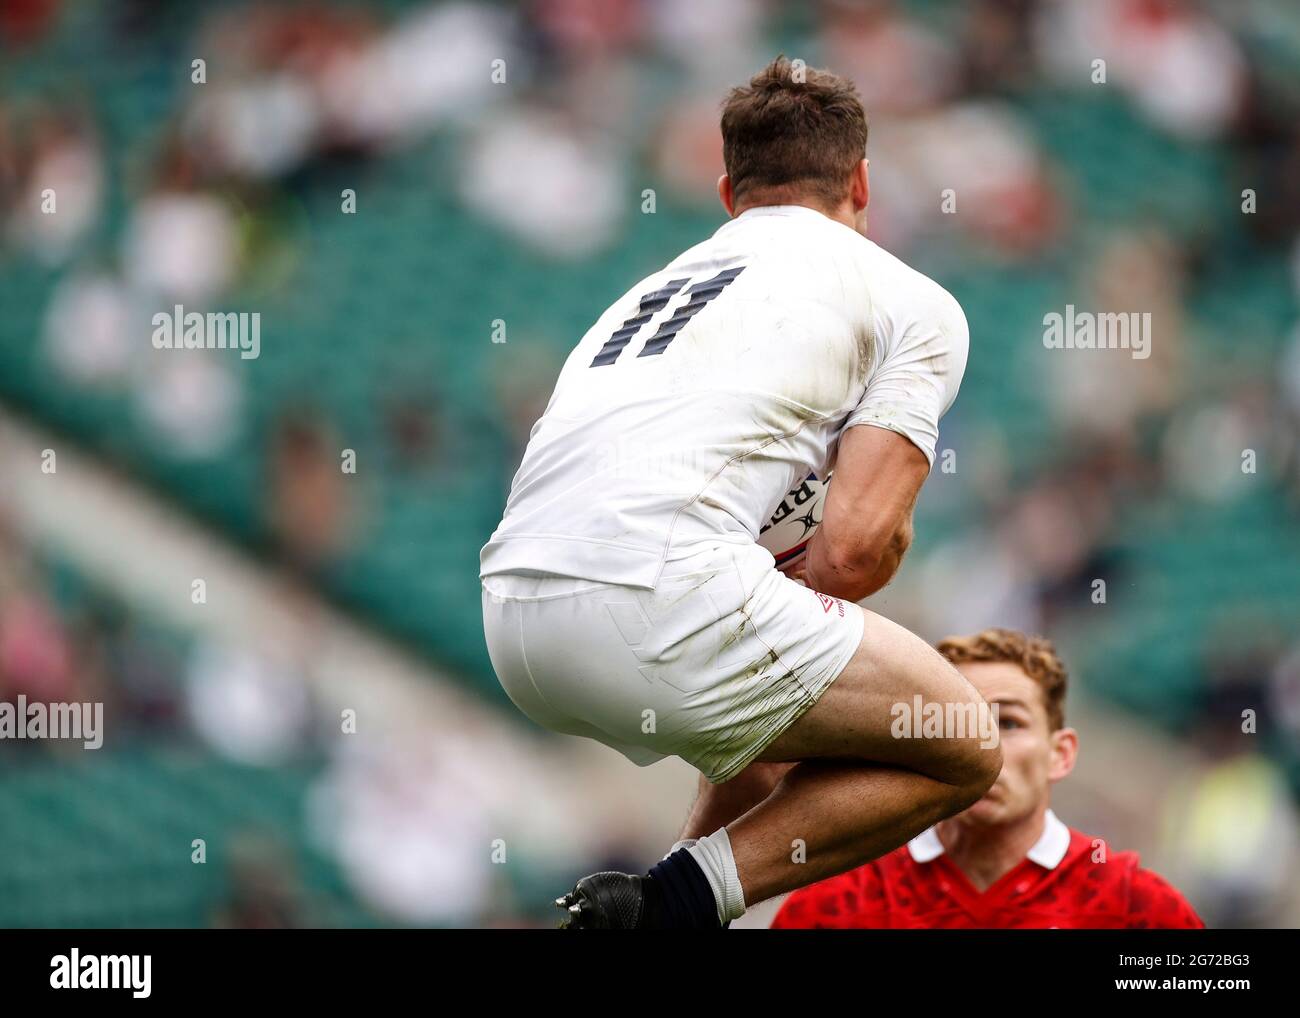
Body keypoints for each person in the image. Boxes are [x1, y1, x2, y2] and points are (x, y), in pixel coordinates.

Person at [480, 56, 999, 928]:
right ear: (862, 182)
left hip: (512, 621)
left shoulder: (643, 294)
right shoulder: (911, 301)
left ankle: (670, 910)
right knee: (962, 743)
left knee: (761, 738)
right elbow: (854, 549)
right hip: (655, 598)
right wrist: (884, 541)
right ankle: (678, 903)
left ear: (729, 192)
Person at [772, 628, 1204, 929]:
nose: (983, 748)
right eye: (958, 723)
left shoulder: (1137, 908)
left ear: (1061, 754)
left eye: (1009, 723)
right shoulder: (837, 904)